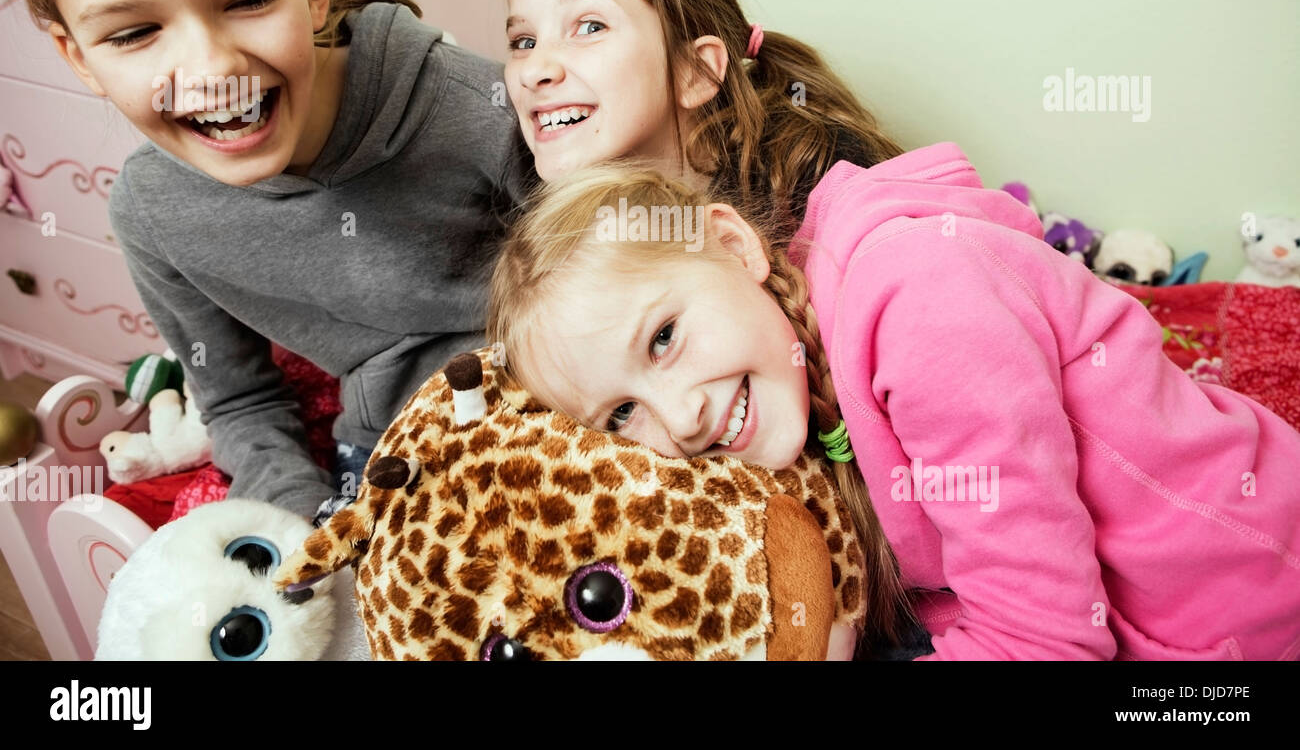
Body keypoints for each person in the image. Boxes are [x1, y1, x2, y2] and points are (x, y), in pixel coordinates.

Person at [485, 147, 1300, 660]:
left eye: (662, 338)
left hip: (1248, 601)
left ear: (735, 247)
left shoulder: (922, 306)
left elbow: (1047, 637)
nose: (679, 418)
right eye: (621, 415)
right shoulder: (777, 378)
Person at [2, 0, 535, 521]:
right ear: (79, 57)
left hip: (560, 412)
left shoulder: (477, 111)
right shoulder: (153, 214)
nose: (211, 65)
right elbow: (239, 399)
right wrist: (295, 533)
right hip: (385, 461)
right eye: (133, 34)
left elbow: (627, 298)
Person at [503, 0, 902, 239]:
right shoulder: (563, 230)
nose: (533, 68)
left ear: (695, 71)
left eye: (590, 26)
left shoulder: (824, 181)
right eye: (524, 41)